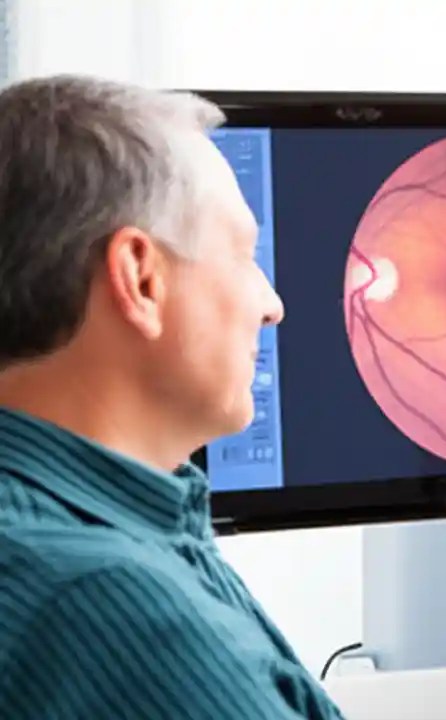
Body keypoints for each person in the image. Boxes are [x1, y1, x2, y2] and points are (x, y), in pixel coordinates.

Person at [0, 75, 344, 719]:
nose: (272, 304)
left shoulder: (103, 528)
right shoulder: (108, 605)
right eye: (246, 256)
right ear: (141, 277)